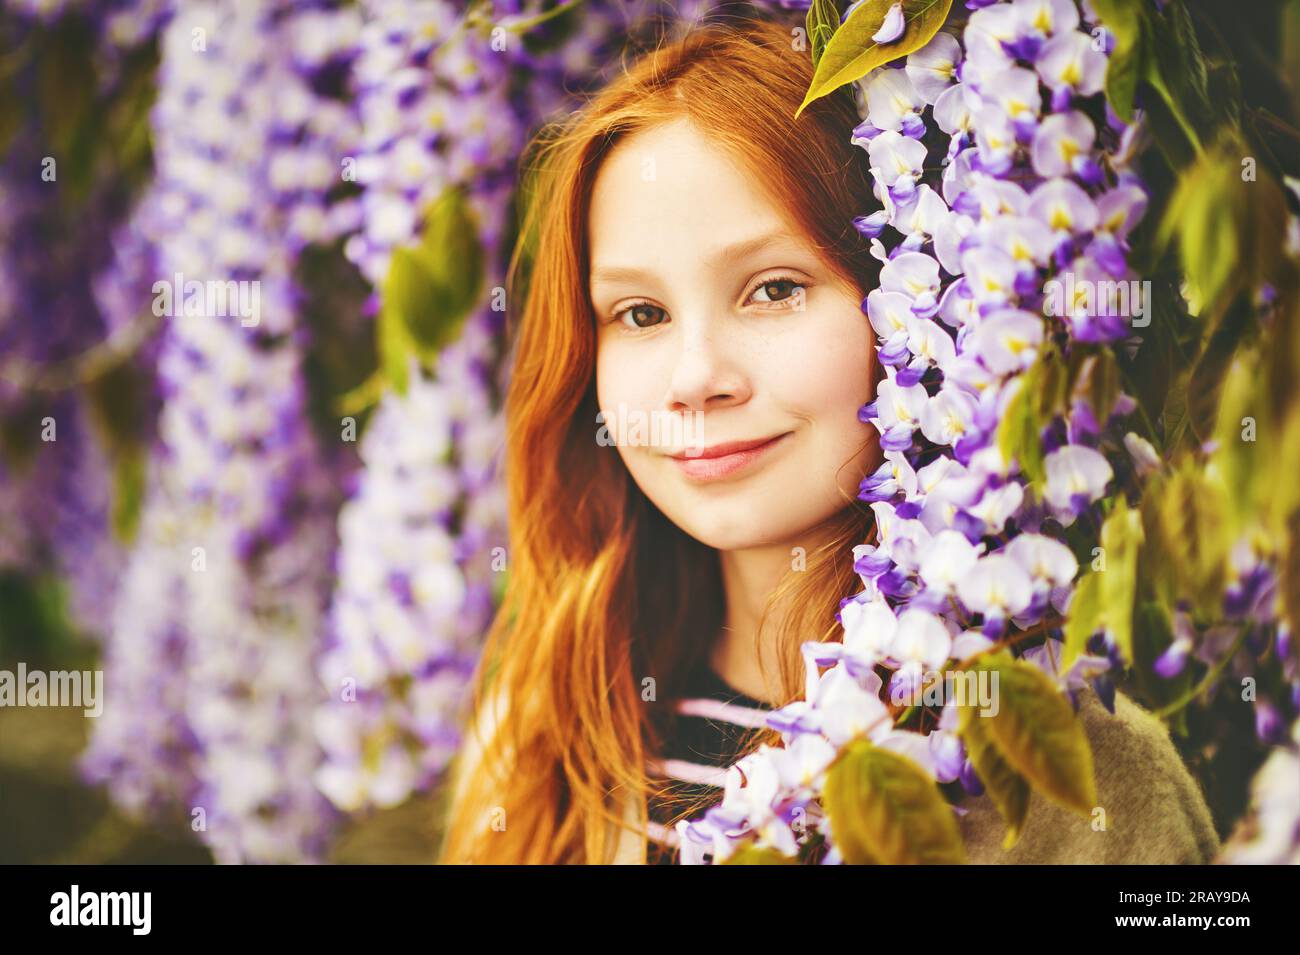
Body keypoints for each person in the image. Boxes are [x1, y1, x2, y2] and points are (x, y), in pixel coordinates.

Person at [437, 15, 1220, 865]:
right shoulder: (547, 726)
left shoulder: (1066, 772)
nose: (696, 377)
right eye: (641, 313)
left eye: (774, 289)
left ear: (918, 316)